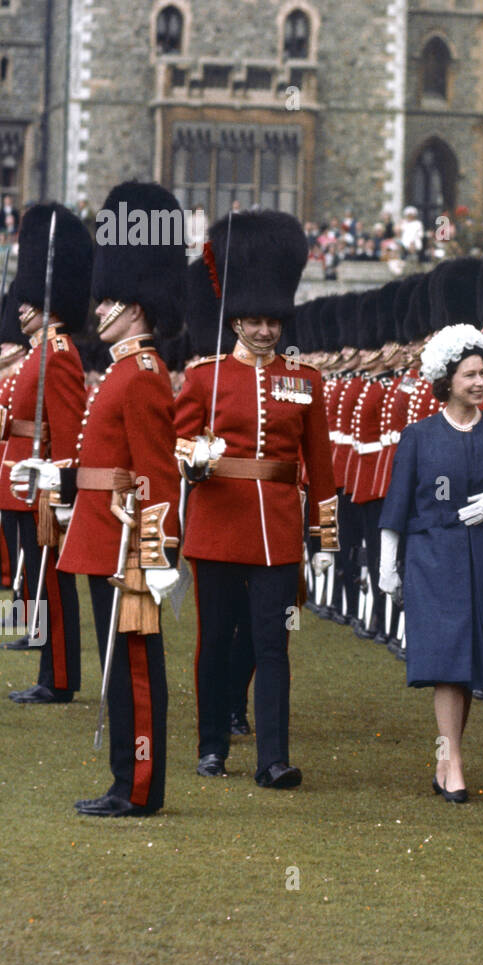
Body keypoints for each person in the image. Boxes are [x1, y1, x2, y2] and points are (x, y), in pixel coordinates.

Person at [174, 210, 338, 789]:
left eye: (274, 321)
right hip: (218, 523)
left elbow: (320, 466)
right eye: (255, 321)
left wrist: (324, 537)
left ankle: (273, 758)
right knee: (216, 641)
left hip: (277, 532)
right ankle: (212, 744)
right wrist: (192, 457)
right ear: (236, 319)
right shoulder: (204, 378)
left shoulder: (306, 381)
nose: (266, 331)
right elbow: (180, 440)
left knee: (273, 643)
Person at [55, 181, 185, 817]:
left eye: (108, 300)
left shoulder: (142, 374)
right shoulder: (123, 369)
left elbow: (157, 473)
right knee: (120, 670)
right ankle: (124, 781)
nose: (97, 309)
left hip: (128, 544)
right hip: (104, 533)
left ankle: (138, 788)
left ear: (135, 306)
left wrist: (157, 558)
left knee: (134, 668)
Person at [377, 324, 483, 802]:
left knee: (468, 664)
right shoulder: (420, 436)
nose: (480, 381)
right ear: (447, 380)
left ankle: (447, 756)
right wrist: (390, 565)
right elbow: (397, 505)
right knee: (448, 662)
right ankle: (454, 760)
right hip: (434, 559)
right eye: (469, 375)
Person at [0, 203, 92, 704]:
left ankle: (58, 677)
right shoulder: (39, 349)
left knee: (52, 581)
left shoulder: (57, 353)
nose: (21, 307)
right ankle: (47, 664)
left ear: (49, 301)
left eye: (30, 299)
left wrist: (60, 485)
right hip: (25, 478)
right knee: (37, 577)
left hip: (45, 483)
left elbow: (70, 427)